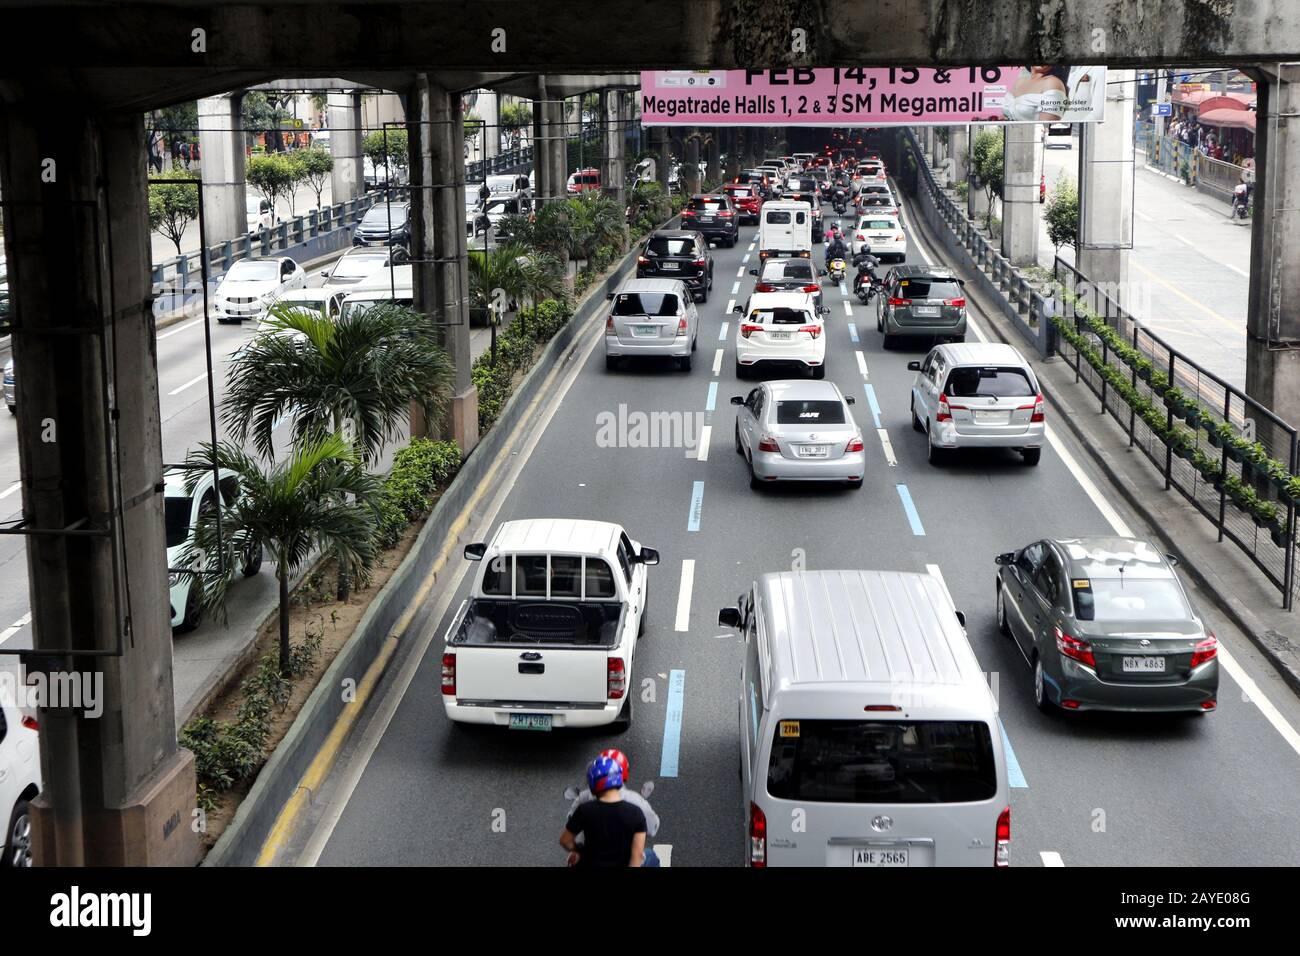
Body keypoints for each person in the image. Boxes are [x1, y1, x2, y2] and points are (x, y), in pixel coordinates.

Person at [567, 749, 661, 867]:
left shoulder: (583, 798)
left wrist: (576, 850)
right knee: (651, 857)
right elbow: (652, 828)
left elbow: (570, 829)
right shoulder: (636, 803)